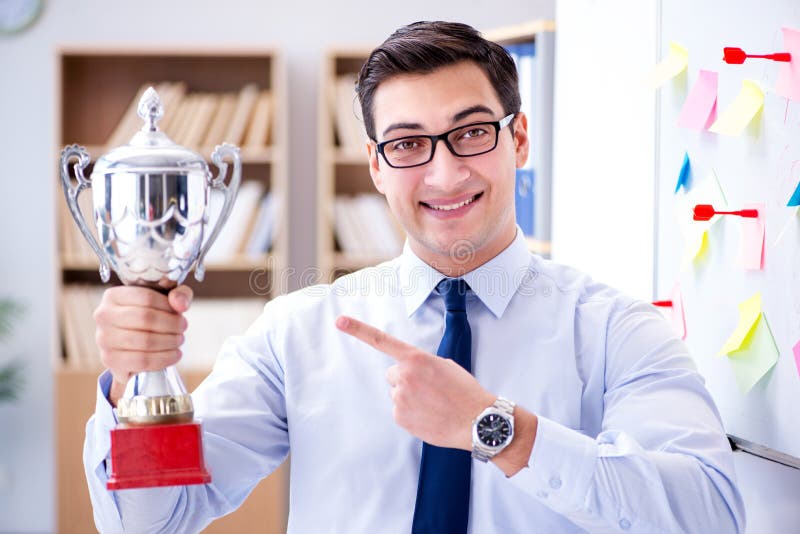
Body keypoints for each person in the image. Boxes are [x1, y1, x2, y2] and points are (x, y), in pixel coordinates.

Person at [85, 21, 745, 533]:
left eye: (471, 133)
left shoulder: (614, 329)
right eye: (407, 144)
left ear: (518, 139)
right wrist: (132, 383)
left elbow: (711, 513)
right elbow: (156, 519)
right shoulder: (298, 332)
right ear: (375, 164)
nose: (444, 173)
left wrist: (500, 428)